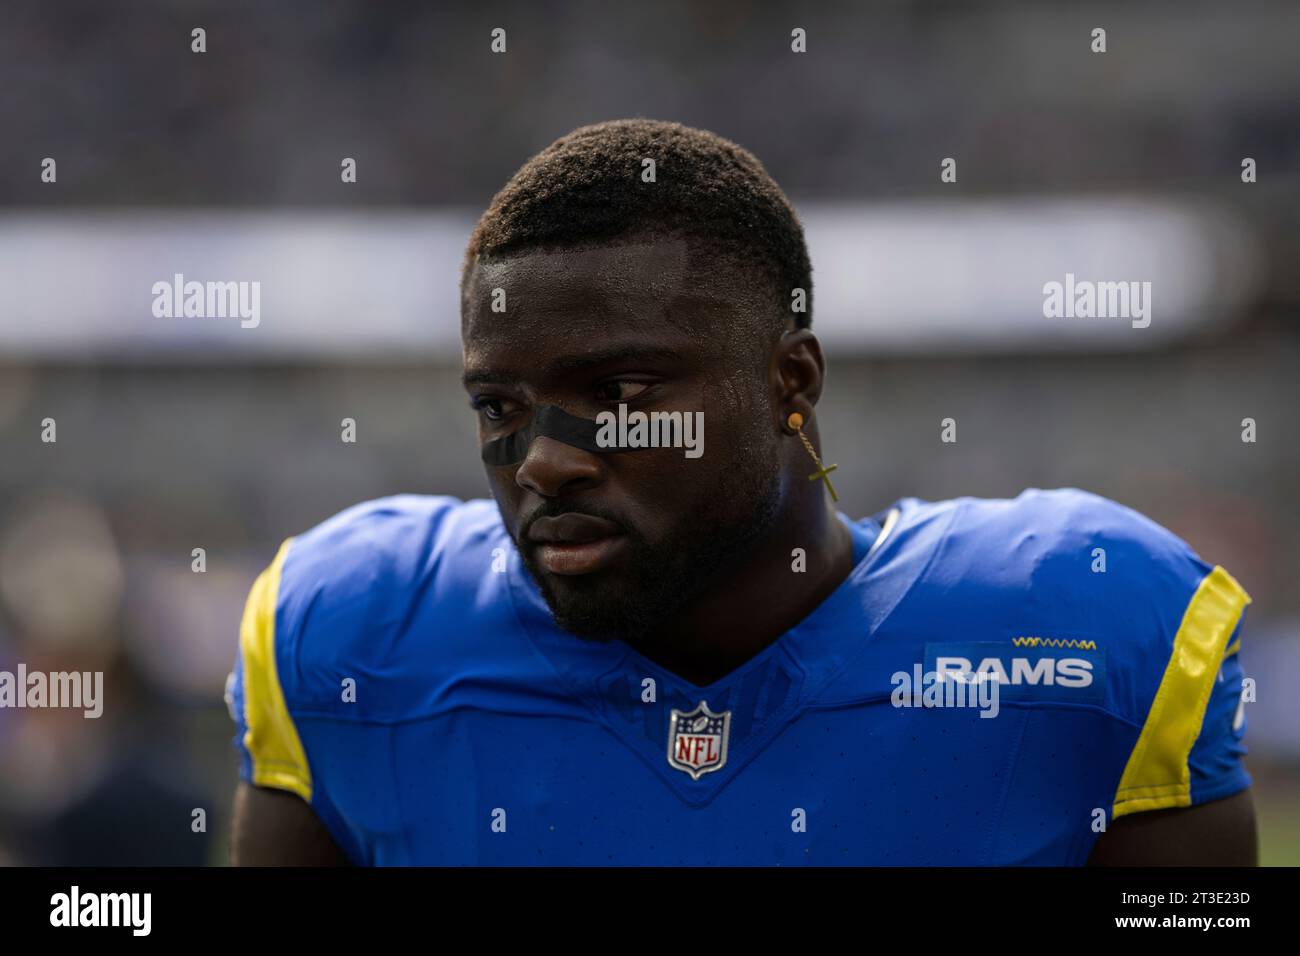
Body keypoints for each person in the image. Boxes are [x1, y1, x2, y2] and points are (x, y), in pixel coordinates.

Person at [228, 119, 1255, 865]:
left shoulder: (1078, 630)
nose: (542, 459)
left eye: (617, 392)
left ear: (789, 382)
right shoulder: (351, 634)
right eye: (499, 404)